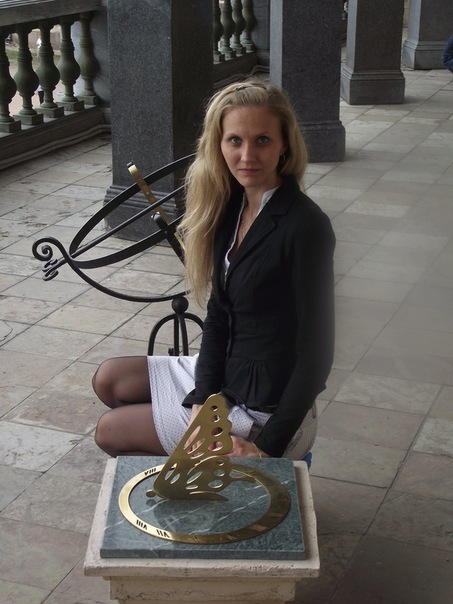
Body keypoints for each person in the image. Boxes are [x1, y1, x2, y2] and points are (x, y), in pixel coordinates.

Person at [93, 80, 335, 461]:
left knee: (110, 430)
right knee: (109, 380)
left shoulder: (305, 225)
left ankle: (206, 481)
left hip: (265, 407)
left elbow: (317, 353)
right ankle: (194, 459)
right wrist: (202, 400)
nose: (247, 155)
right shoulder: (231, 206)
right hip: (227, 376)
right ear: (218, 145)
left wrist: (264, 448)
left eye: (262, 140)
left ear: (284, 144)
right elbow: (220, 315)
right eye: (235, 140)